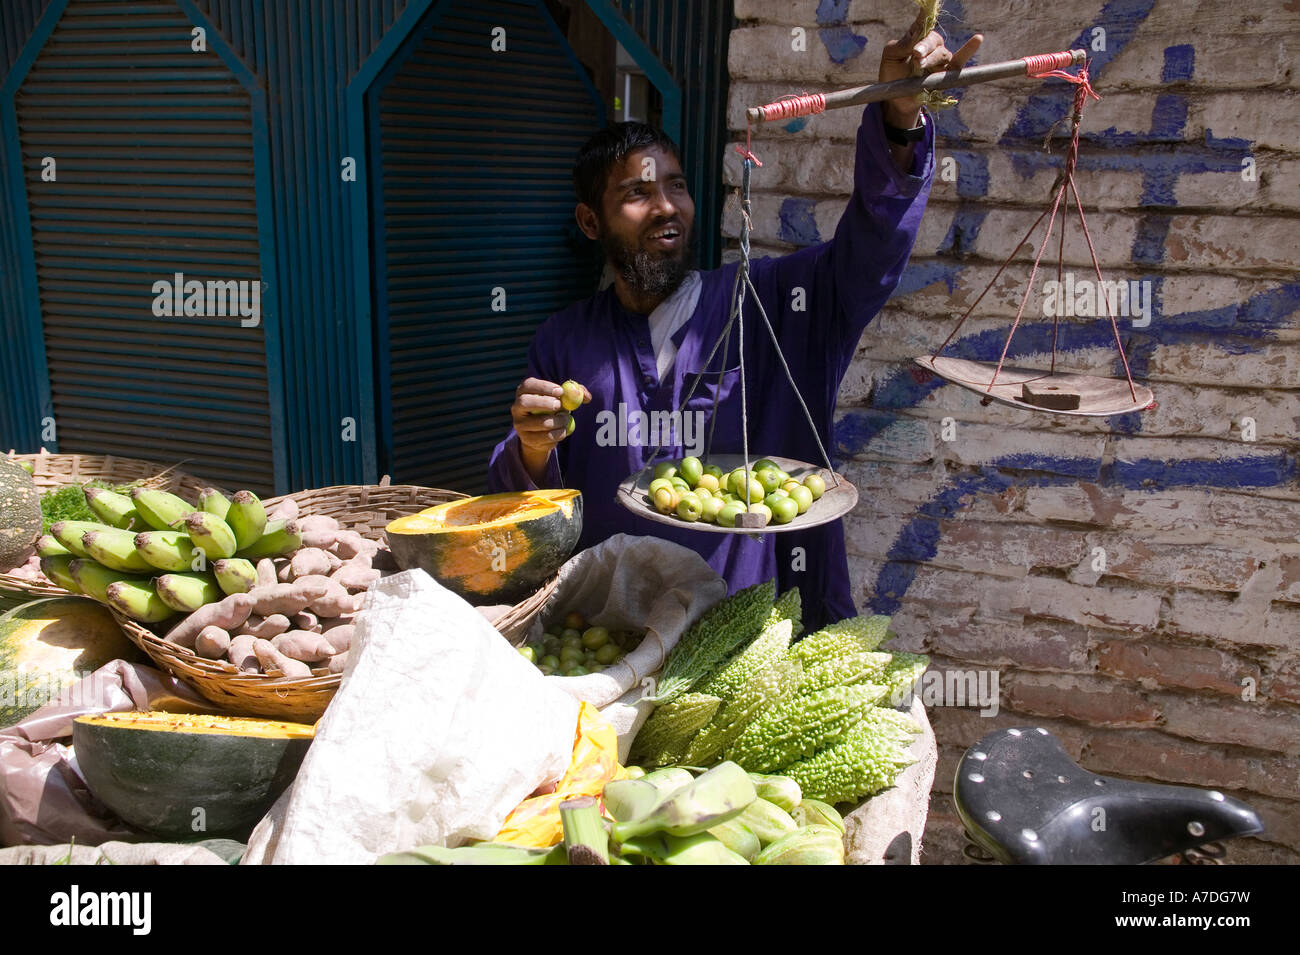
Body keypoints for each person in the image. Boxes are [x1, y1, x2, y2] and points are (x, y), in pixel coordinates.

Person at [489, 13, 981, 631]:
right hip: (611, 631)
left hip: (749, 635)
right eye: (638, 194)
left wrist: (897, 119)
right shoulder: (563, 342)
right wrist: (532, 450)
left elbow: (872, 250)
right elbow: (527, 504)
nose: (667, 207)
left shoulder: (778, 303)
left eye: (677, 185)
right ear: (592, 222)